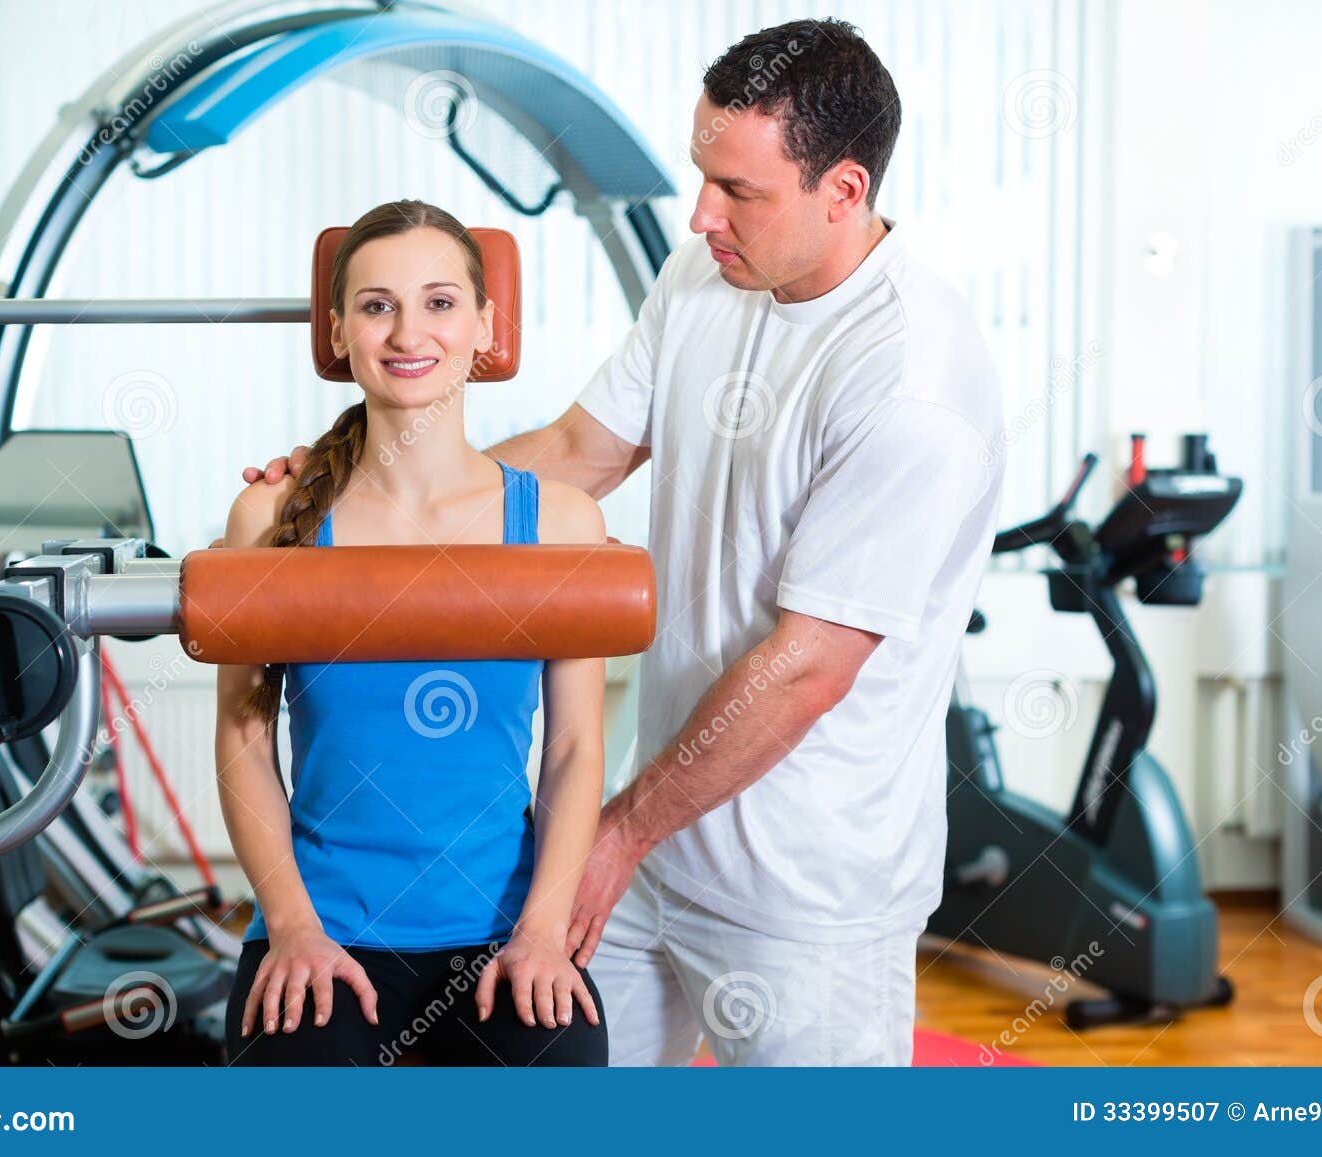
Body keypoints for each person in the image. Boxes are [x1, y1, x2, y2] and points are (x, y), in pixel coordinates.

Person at [245, 19, 1005, 1066]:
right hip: (651, 842)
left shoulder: (911, 381)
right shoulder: (711, 275)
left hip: (799, 889)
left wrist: (616, 830)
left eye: (738, 190)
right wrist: (370, 487)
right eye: (704, 175)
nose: (700, 215)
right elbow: (574, 451)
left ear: (843, 190)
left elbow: (808, 666)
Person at [217, 199, 610, 1066]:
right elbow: (244, 735)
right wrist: (289, 926)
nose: (407, 332)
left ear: (484, 323)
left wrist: (545, 929)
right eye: (375, 304)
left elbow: (577, 747)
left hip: (503, 934)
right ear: (338, 328)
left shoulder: (561, 524)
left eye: (438, 302)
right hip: (321, 927)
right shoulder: (271, 515)